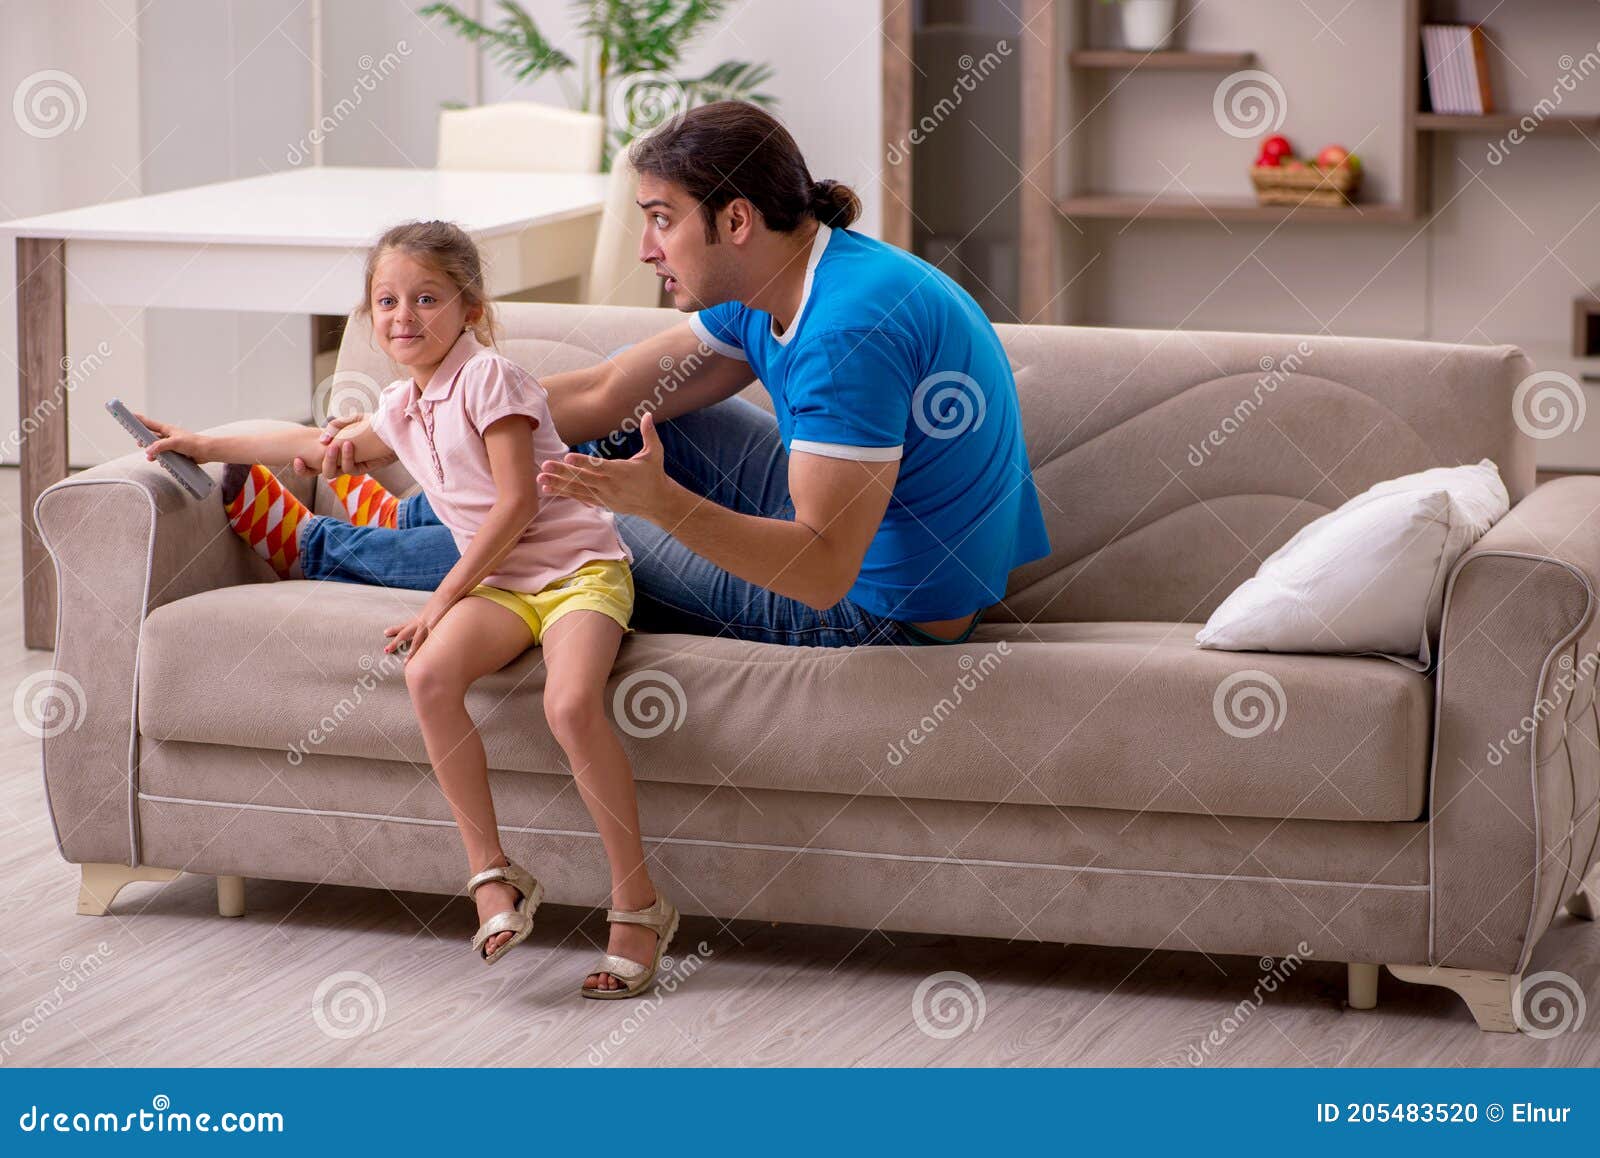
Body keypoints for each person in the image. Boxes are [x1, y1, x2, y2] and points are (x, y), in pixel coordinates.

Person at [137, 220, 676, 1000]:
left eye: (426, 299)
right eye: (386, 301)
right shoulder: (401, 402)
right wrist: (203, 441)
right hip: (502, 587)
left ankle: (640, 907)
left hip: (577, 573)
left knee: (568, 704)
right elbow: (311, 442)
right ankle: (494, 876)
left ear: (469, 307)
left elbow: (520, 502)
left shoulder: (492, 379)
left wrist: (443, 598)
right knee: (428, 676)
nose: (404, 317)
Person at [296, 100, 1051, 650]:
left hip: (887, 604)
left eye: (661, 218)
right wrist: (398, 426)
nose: (646, 249)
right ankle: (415, 511)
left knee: (579, 534)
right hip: (883, 536)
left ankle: (317, 545)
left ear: (735, 221)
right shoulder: (793, 274)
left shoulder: (843, 335)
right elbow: (606, 393)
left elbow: (822, 571)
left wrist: (663, 504)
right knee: (633, 426)